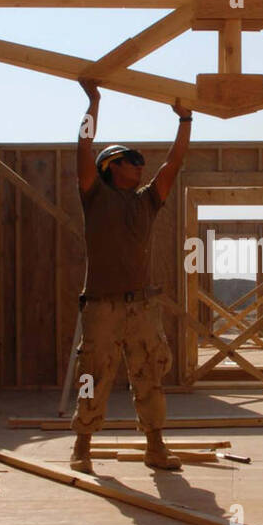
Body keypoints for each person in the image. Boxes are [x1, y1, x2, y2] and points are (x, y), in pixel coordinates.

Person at [69, 79, 192, 473]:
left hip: (141, 306)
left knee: (149, 375)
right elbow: (83, 146)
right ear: (111, 166)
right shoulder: (94, 195)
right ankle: (82, 447)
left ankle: (155, 447)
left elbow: (173, 164)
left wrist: (185, 120)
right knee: (92, 376)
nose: (141, 165)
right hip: (101, 307)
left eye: (141, 161)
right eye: (132, 159)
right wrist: (94, 101)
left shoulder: (147, 202)